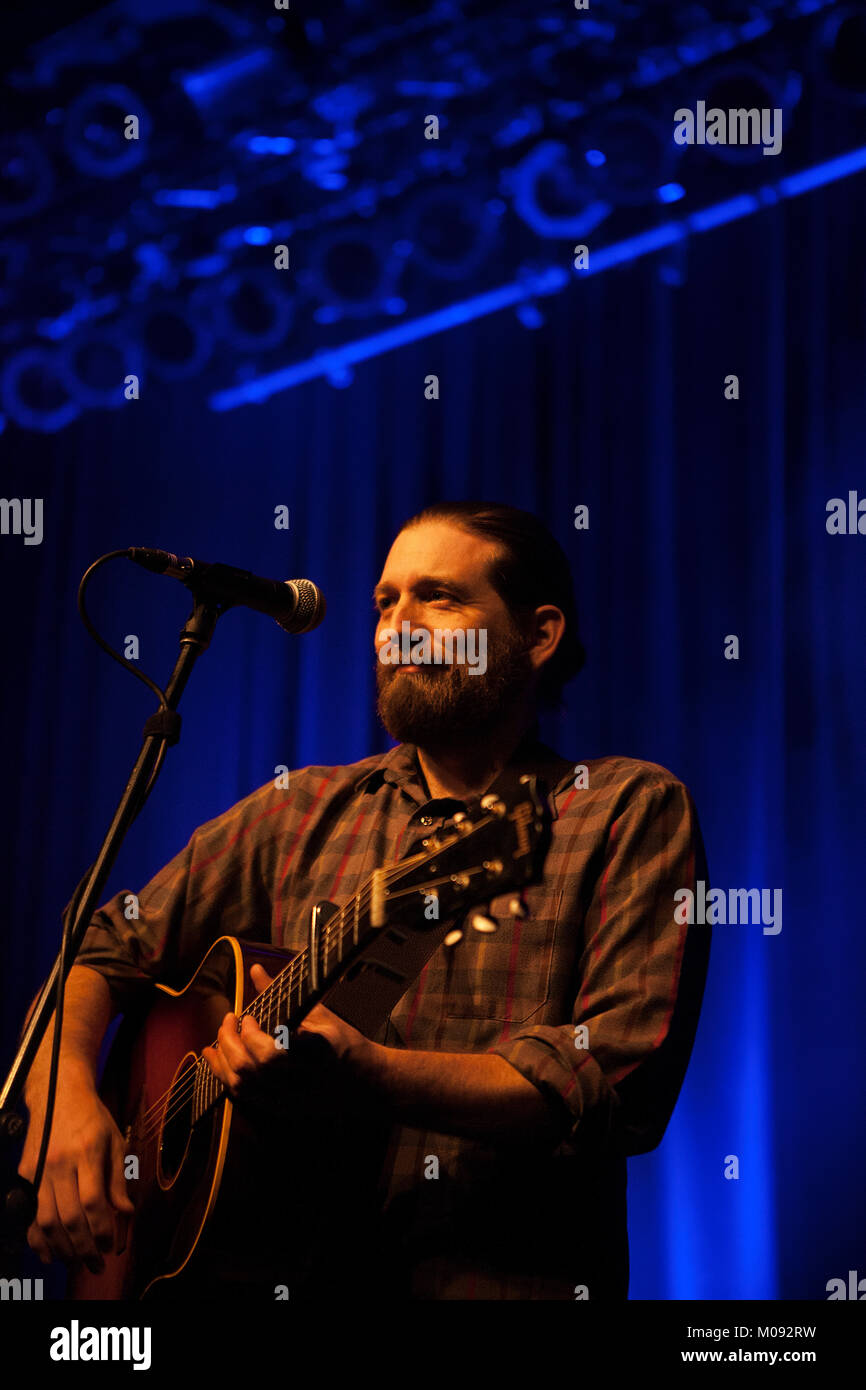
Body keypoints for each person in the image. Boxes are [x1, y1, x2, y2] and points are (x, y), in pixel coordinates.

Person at [18, 500, 710, 1300]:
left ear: (539, 634)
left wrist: (370, 1074)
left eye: (439, 598)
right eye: (386, 603)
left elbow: (611, 1082)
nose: (398, 628)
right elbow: (100, 952)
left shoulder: (621, 807)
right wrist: (65, 1103)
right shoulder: (295, 811)